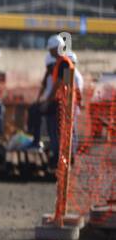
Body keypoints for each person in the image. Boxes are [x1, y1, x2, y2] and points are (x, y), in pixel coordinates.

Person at [37, 34, 76, 169]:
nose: (50, 52)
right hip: (62, 102)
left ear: (57, 48)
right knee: (57, 131)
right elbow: (65, 83)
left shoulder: (63, 63)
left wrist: (48, 100)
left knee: (54, 131)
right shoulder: (63, 62)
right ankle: (60, 157)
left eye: (51, 49)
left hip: (59, 103)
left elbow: (60, 84)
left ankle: (57, 158)